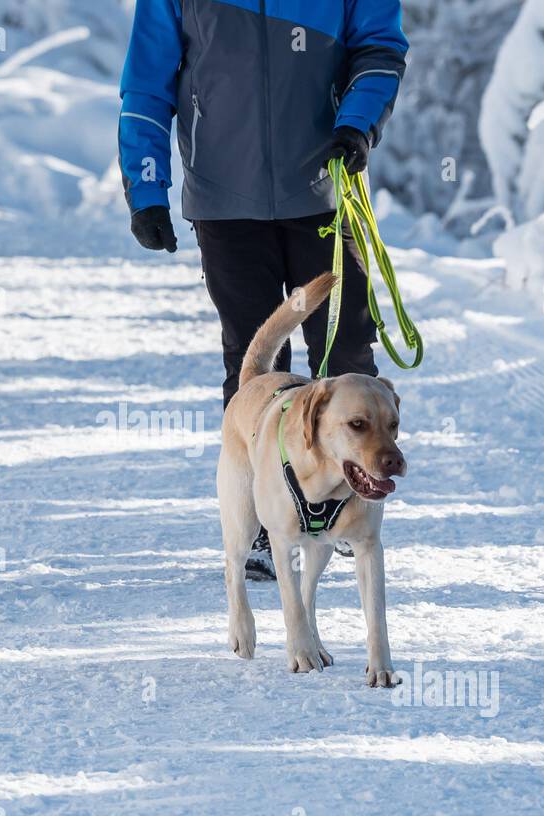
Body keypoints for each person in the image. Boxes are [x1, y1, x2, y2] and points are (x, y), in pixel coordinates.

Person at [118, 0, 408, 579]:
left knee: (347, 349)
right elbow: (147, 84)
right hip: (225, 199)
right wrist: (146, 186)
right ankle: (258, 520)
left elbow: (380, 50)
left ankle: (346, 503)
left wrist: (355, 124)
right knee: (254, 361)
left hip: (326, 188)